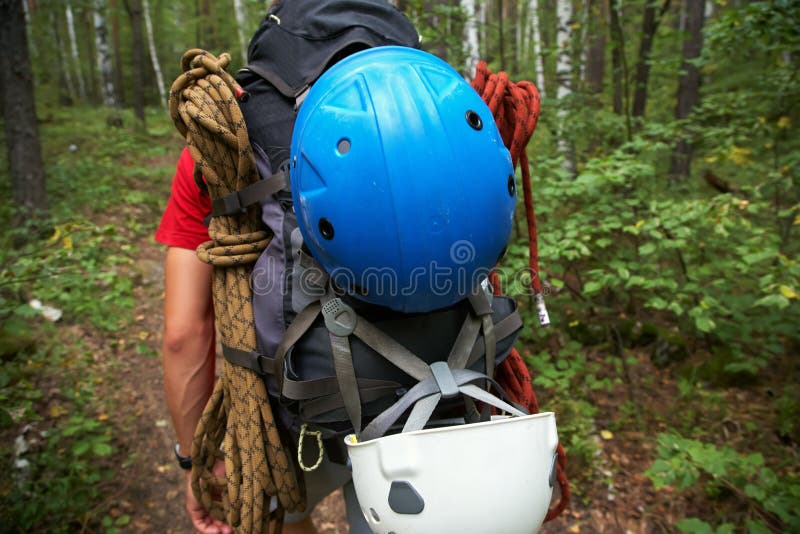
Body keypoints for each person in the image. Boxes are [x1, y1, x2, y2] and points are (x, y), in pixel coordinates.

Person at [156, 148, 367, 534]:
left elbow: (182, 335)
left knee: (285, 511)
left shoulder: (214, 145)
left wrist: (196, 461)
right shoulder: (413, 98)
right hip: (426, 378)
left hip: (289, 397)